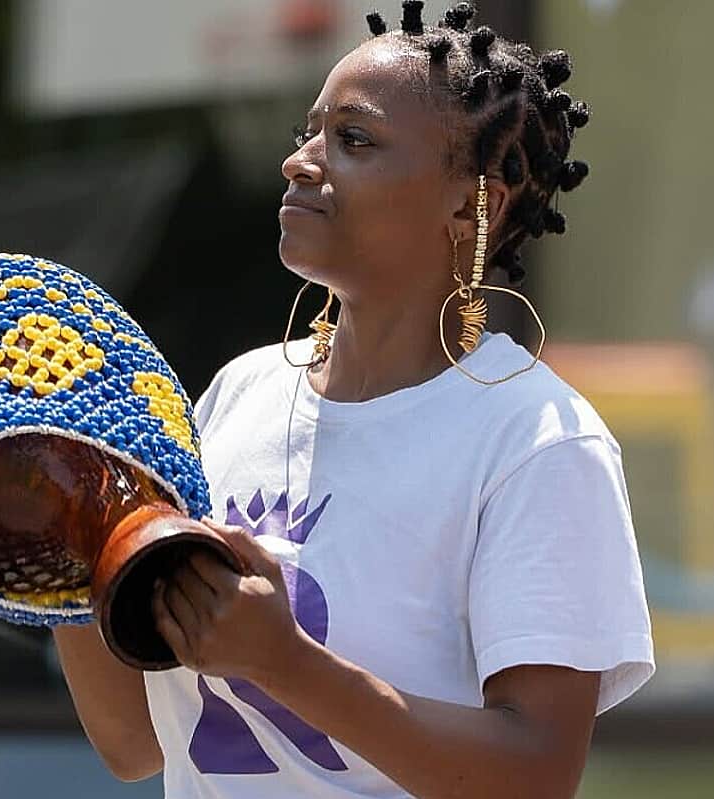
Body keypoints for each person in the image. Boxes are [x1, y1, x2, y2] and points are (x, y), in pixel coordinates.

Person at [53, 3, 653, 797]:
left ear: (474, 204)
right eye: (310, 131)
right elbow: (136, 741)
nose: (301, 161)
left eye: (354, 139)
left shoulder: (534, 441)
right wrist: (61, 533)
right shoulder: (238, 394)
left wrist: (285, 662)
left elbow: (535, 775)